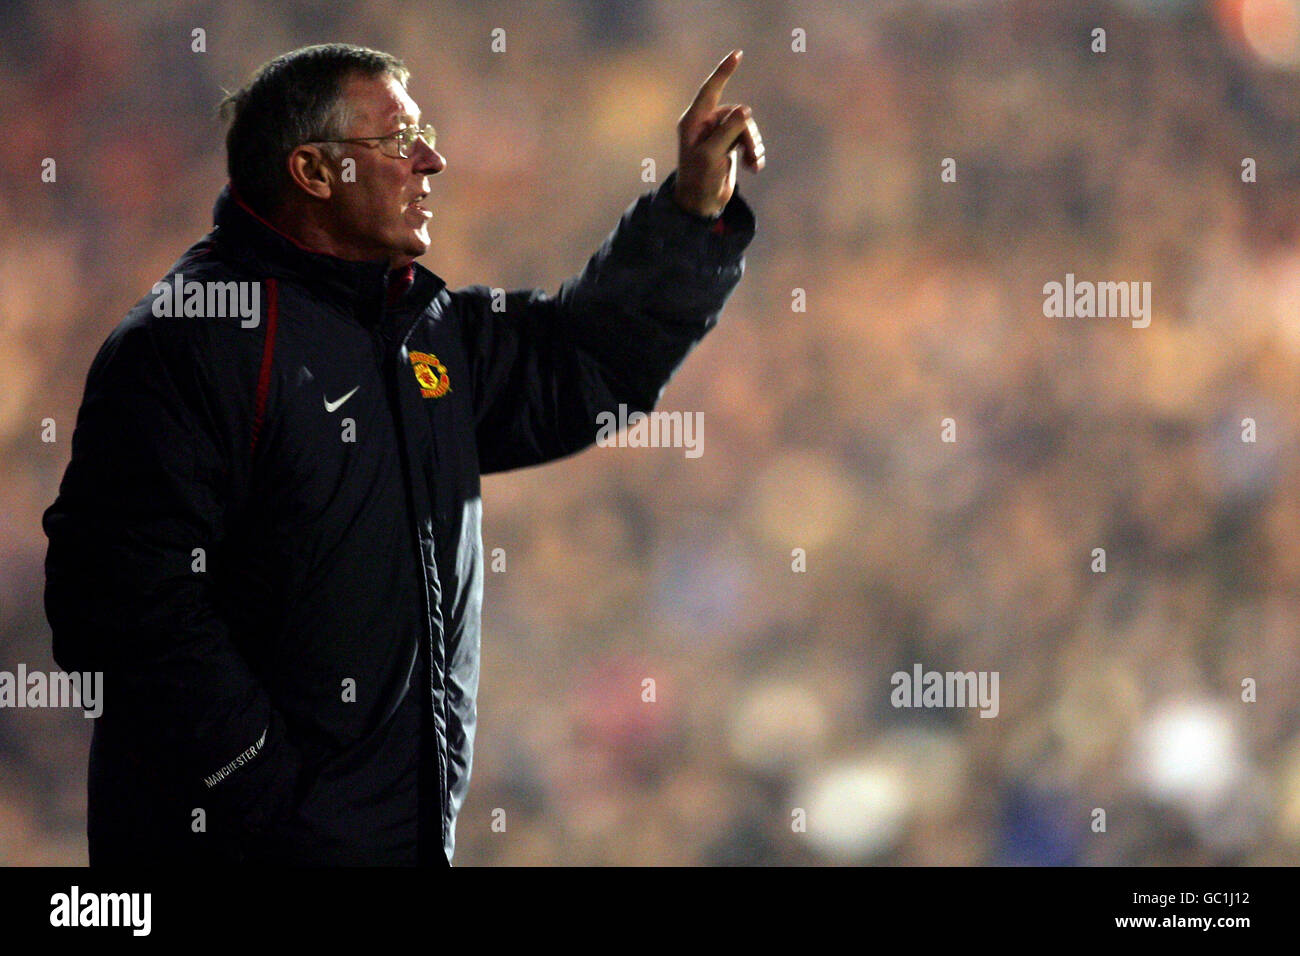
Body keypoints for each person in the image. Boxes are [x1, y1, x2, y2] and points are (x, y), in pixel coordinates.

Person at [42, 42, 761, 866]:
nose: (433, 159)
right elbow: (121, 609)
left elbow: (583, 363)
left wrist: (692, 213)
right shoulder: (190, 345)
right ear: (314, 171)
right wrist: (267, 790)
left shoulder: (424, 330)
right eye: (398, 141)